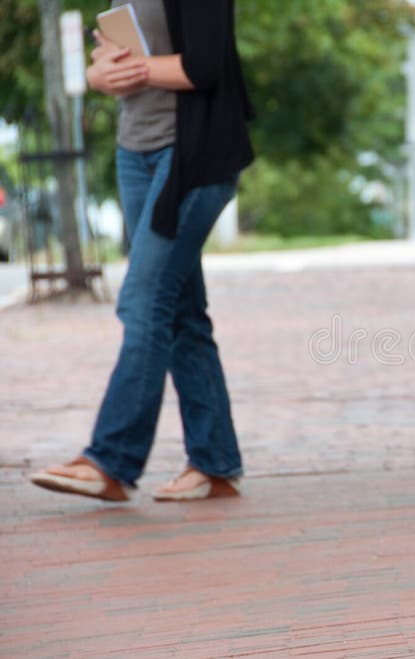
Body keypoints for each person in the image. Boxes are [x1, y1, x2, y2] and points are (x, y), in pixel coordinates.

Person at [30, 1, 254, 502]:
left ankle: (110, 460)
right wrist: (98, 74)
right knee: (181, 312)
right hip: (136, 154)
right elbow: (114, 58)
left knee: (144, 299)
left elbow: (203, 67)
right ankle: (215, 465)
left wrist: (139, 67)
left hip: (191, 155)